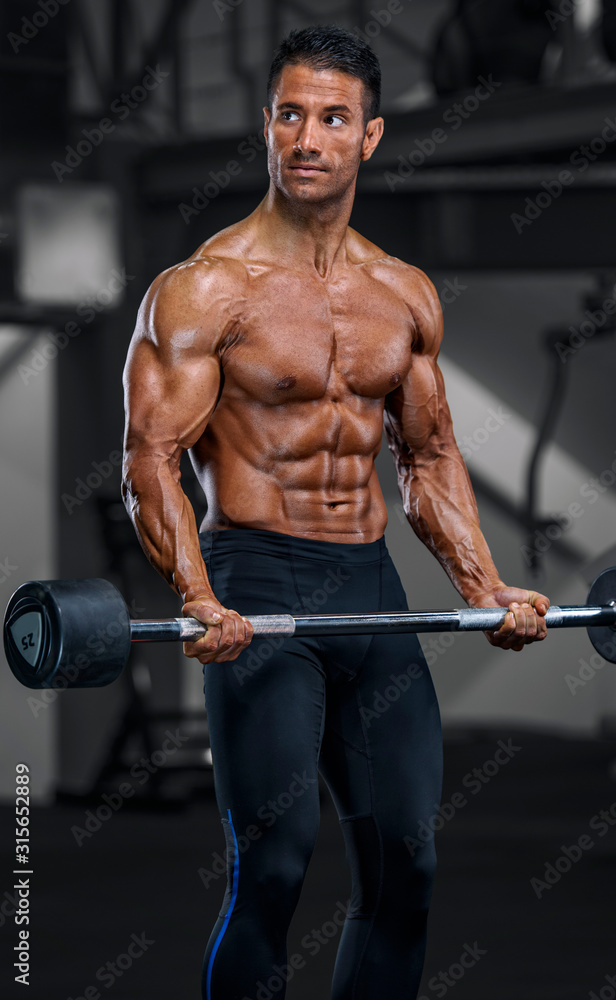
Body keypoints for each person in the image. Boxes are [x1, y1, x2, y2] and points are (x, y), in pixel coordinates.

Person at [121, 24, 549, 1000]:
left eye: (332, 117)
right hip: (255, 585)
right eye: (288, 114)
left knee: (408, 866)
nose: (306, 136)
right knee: (274, 869)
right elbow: (151, 456)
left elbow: (428, 454)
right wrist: (193, 592)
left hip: (370, 586)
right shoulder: (204, 290)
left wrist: (483, 590)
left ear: (370, 136)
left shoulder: (400, 293)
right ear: (266, 127)